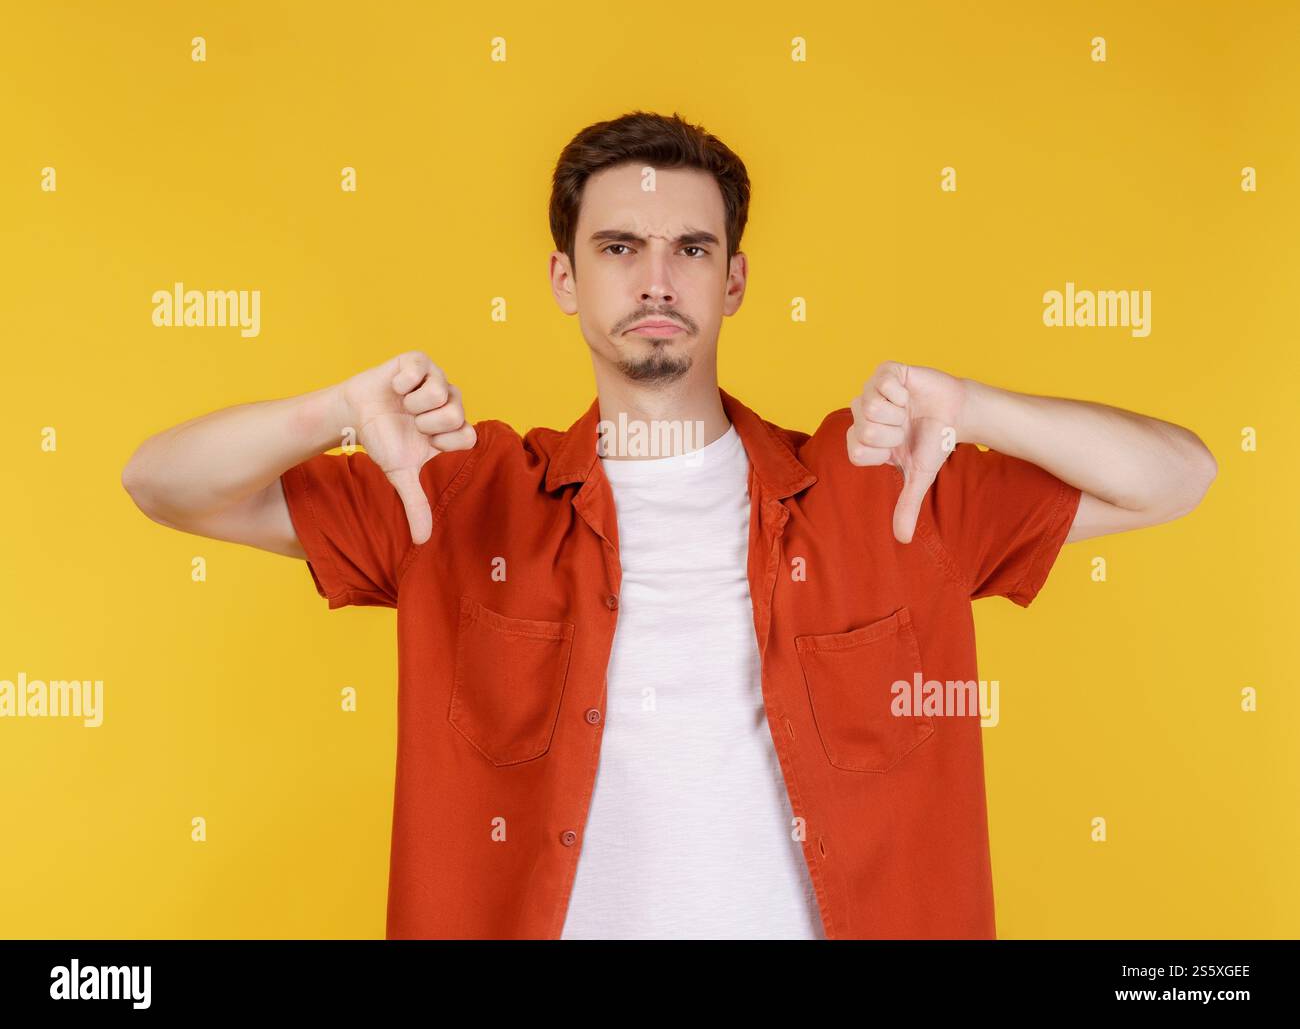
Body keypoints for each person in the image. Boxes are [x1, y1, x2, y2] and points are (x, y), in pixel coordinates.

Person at [121, 110, 1217, 939]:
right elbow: (163, 482)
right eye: (619, 247)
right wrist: (329, 415)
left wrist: (981, 408)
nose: (657, 279)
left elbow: (1176, 476)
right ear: (562, 276)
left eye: (690, 248)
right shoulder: (457, 492)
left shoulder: (885, 480)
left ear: (734, 279)